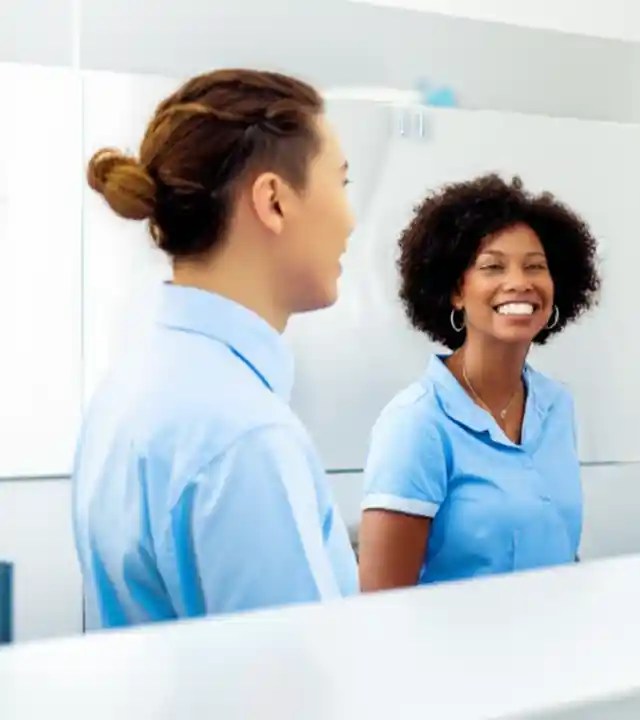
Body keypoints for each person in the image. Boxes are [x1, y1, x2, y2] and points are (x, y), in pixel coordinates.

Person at [72, 68, 359, 628]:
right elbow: (298, 697)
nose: (350, 221)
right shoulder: (245, 437)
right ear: (273, 201)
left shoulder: (130, 388)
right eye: (342, 184)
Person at [357, 174, 601, 590]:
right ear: (455, 290)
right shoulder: (417, 423)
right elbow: (380, 605)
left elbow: (558, 549)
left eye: (535, 266)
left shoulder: (556, 405)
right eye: (492, 266)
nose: (519, 282)